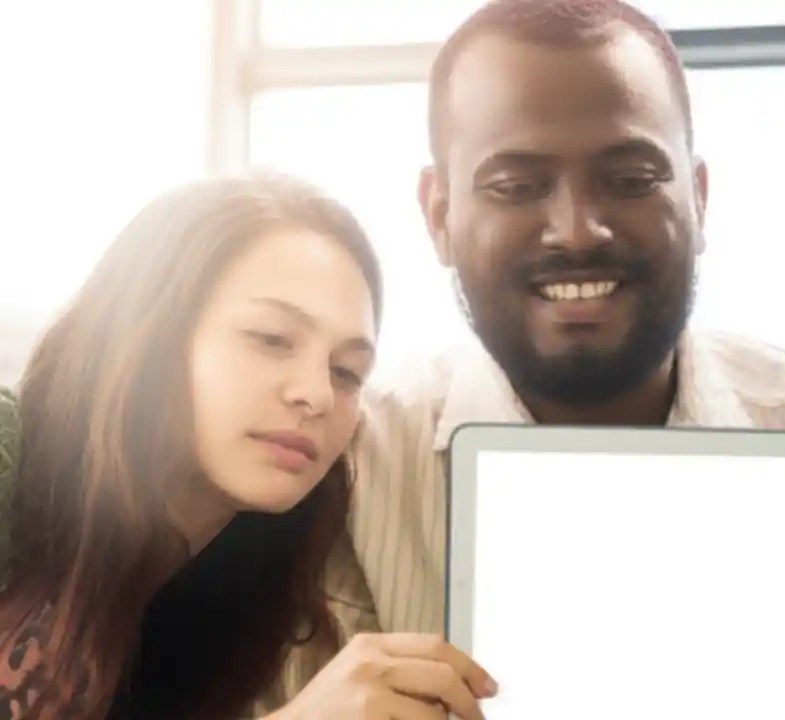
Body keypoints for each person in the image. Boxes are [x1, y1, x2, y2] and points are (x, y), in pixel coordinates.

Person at [344, 0, 785, 666]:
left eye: (632, 180)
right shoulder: (347, 472)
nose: (577, 231)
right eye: (515, 185)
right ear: (439, 216)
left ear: (699, 199)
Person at [0, 175, 497, 719]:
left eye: (347, 372)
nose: (316, 394)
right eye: (271, 339)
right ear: (145, 330)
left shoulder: (254, 594)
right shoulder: (9, 454)